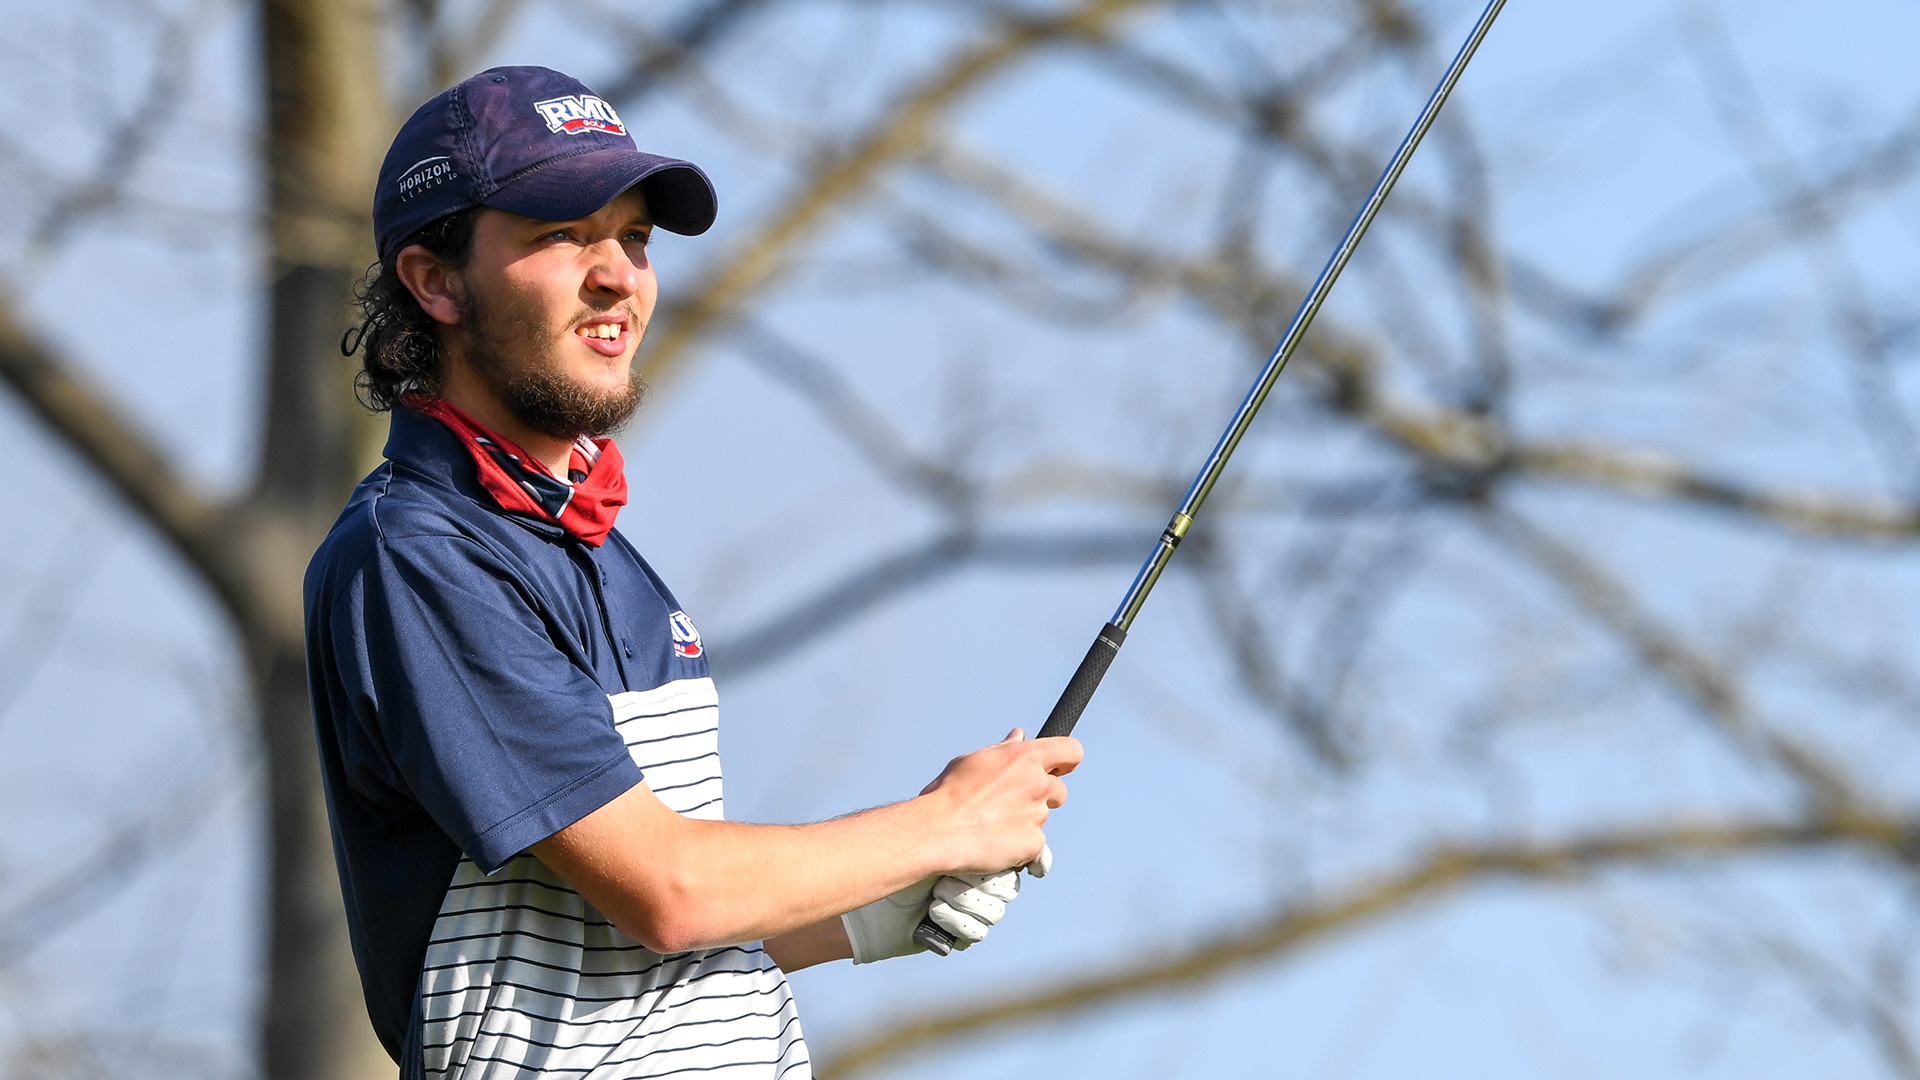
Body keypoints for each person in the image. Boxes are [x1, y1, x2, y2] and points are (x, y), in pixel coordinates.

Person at [304, 66, 1081, 1080]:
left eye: (632, 238)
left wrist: (872, 907)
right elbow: (670, 893)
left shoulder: (610, 559)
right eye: (561, 235)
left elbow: (630, 941)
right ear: (435, 281)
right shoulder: (415, 554)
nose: (619, 275)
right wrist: (938, 826)